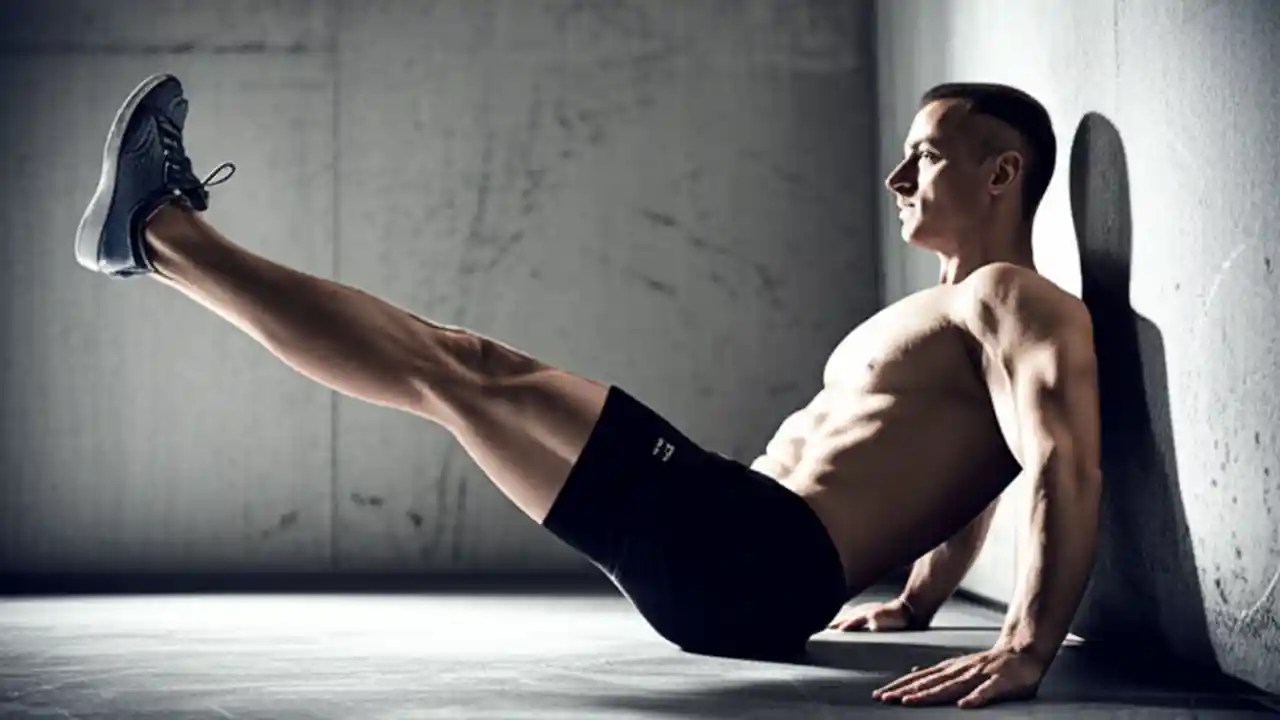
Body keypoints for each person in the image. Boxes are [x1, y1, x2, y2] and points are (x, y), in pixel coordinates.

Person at [76, 75, 1100, 710]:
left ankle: (161, 231)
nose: (895, 178)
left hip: (749, 552)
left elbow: (1059, 456)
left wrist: (1025, 643)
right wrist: (919, 600)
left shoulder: (1016, 299)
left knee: (461, 367)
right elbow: (986, 459)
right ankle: (157, 239)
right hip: (745, 569)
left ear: (1002, 175)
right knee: (455, 377)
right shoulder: (959, 313)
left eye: (922, 155)